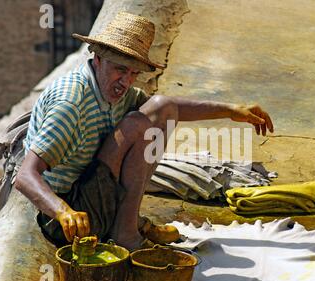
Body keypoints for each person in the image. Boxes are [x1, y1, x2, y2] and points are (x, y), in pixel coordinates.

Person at [14, 11, 274, 251]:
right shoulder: (71, 104)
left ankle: (126, 224)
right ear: (98, 58)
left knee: (163, 108)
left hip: (97, 198)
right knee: (136, 125)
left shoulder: (113, 90)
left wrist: (230, 110)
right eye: (120, 70)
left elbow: (169, 110)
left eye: (133, 73)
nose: (126, 82)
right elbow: (25, 175)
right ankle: (126, 232)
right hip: (70, 219)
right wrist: (63, 212)